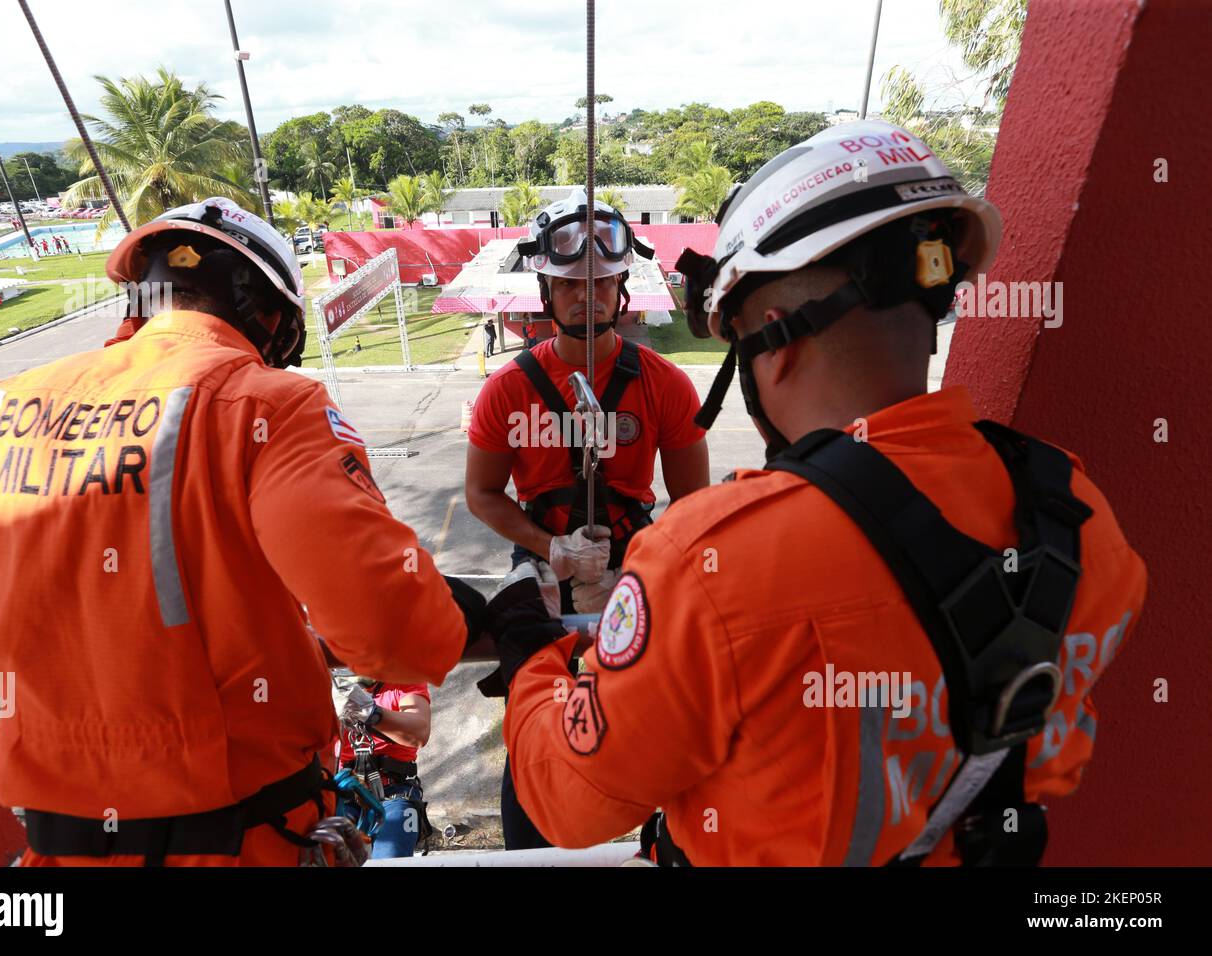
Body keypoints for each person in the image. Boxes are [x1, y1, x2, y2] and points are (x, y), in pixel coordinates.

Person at [482, 121, 1148, 866]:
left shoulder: (713, 563)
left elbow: (570, 801)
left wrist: (532, 655)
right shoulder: (1074, 511)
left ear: (774, 336)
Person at [0, 197, 485, 867]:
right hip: (233, 840)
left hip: (56, 848)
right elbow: (387, 628)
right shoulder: (270, 404)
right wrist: (459, 616)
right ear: (271, 317)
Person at [465, 188, 711, 850]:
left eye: (603, 282)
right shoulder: (507, 390)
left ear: (623, 286)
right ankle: (533, 840)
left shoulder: (665, 384)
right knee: (534, 705)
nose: (588, 296)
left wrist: (642, 566)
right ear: (545, 293)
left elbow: (692, 507)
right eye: (571, 284)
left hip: (636, 558)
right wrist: (551, 548)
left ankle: (666, 835)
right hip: (543, 560)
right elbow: (483, 495)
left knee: (661, 705)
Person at [334, 675, 433, 858]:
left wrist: (372, 713)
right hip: (346, 791)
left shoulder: (404, 678)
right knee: (331, 851)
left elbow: (420, 732)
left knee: (391, 855)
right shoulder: (332, 687)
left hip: (395, 791)